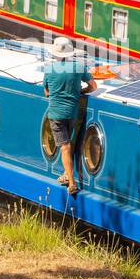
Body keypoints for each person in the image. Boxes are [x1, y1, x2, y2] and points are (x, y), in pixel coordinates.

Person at [43, 36, 97, 195]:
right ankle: (67, 174)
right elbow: (93, 86)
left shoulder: (49, 69)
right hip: (72, 113)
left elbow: (46, 93)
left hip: (56, 114)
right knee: (69, 144)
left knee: (64, 147)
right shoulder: (79, 67)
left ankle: (71, 182)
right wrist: (80, 91)